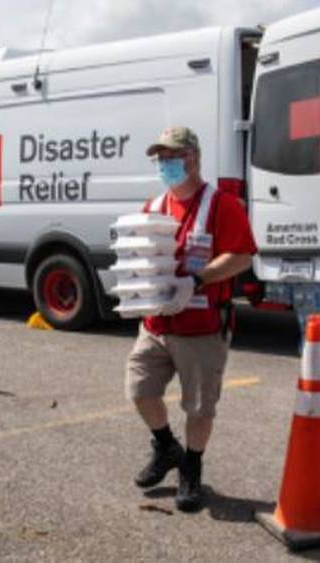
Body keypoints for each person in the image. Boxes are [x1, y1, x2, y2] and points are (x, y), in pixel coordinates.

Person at [125, 126, 258, 512]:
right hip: (155, 326)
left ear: (193, 158)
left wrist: (198, 280)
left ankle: (192, 470)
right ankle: (167, 448)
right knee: (140, 390)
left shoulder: (222, 205)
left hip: (200, 330)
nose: (164, 164)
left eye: (171, 157)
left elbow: (243, 255)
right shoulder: (152, 207)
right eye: (160, 158)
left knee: (199, 408)